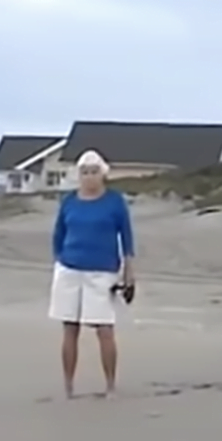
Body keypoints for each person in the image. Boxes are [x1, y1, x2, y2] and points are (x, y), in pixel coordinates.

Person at [48, 149, 135, 398]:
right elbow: (58, 235)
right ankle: (68, 387)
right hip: (69, 269)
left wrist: (129, 272)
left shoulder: (114, 201)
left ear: (103, 174)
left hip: (102, 272)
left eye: (94, 172)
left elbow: (126, 237)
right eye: (84, 172)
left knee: (104, 328)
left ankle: (110, 386)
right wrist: (61, 261)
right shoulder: (69, 202)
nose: (89, 177)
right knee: (70, 328)